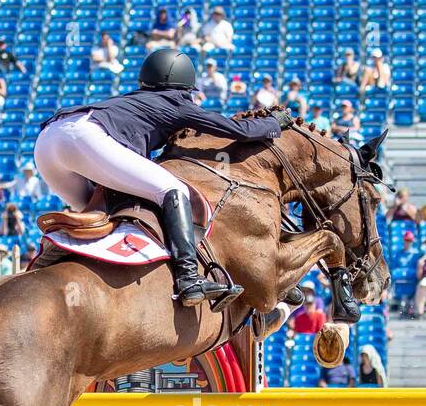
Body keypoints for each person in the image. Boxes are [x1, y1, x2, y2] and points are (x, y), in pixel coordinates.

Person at [33, 49, 288, 307]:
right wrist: (273, 123)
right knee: (172, 189)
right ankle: (188, 278)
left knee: (96, 215)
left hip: (47, 143)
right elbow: (237, 131)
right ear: (185, 84)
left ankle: (50, 266)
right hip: (84, 137)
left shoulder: (134, 99)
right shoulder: (175, 101)